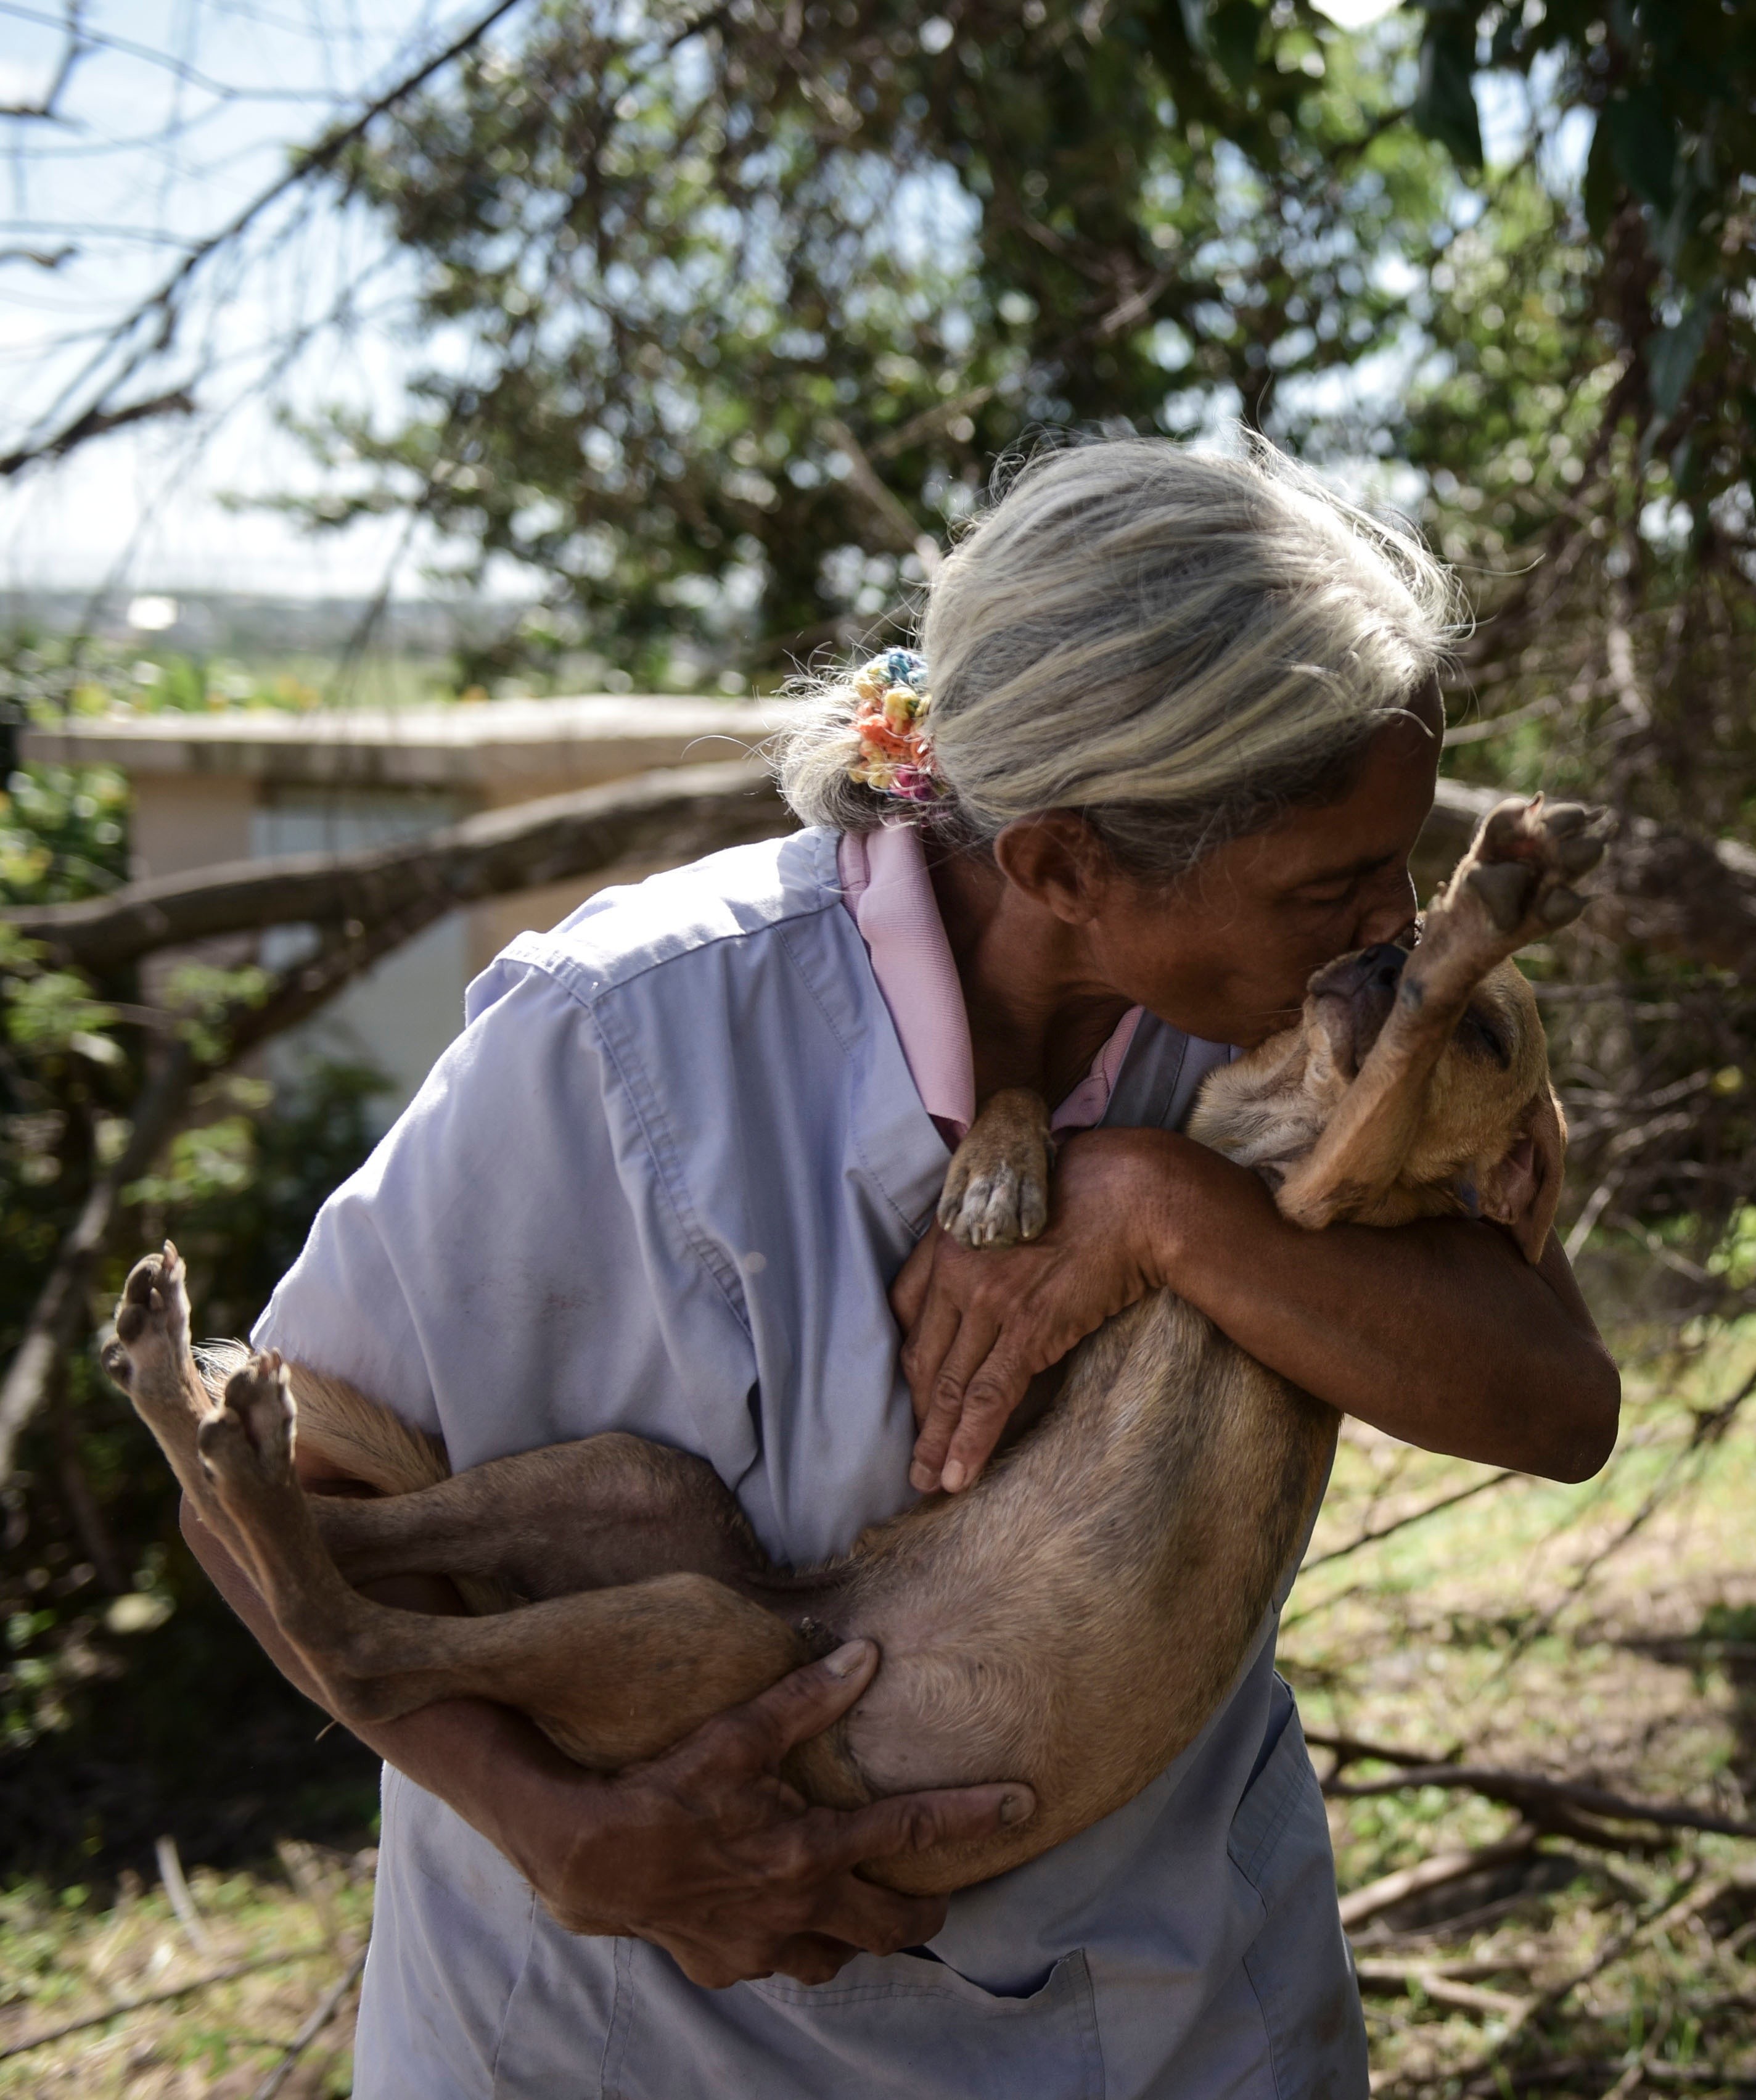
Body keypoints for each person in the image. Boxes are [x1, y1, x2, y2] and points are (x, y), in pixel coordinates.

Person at [183, 434, 1622, 2096]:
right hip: (644, 2041)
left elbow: (1554, 1402)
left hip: (1173, 2019)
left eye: (1399, 862)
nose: (1391, 923)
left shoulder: (1301, 1042)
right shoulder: (626, 1039)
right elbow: (256, 1488)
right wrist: (555, 1828)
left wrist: (1161, 1203)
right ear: (1063, 867)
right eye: (1329, 886)